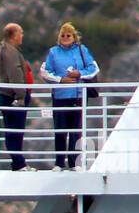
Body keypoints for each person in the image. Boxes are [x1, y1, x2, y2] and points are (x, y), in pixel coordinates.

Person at [41, 22, 99, 170]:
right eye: (63, 35)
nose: (66, 38)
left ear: (74, 37)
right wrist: (61, 80)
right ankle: (59, 163)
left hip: (78, 96)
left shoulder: (82, 50)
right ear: (59, 37)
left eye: (69, 35)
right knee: (60, 130)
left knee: (75, 131)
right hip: (60, 96)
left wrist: (79, 74)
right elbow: (46, 72)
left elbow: (93, 68)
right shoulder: (53, 52)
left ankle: (74, 163)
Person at [0, 23, 34, 171]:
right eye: (20, 33)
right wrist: (21, 96)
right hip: (13, 97)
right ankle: (19, 163)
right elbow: (15, 74)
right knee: (15, 130)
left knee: (12, 130)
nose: (22, 35)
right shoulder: (10, 52)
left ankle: (17, 162)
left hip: (6, 95)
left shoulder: (2, 49)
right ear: (14, 35)